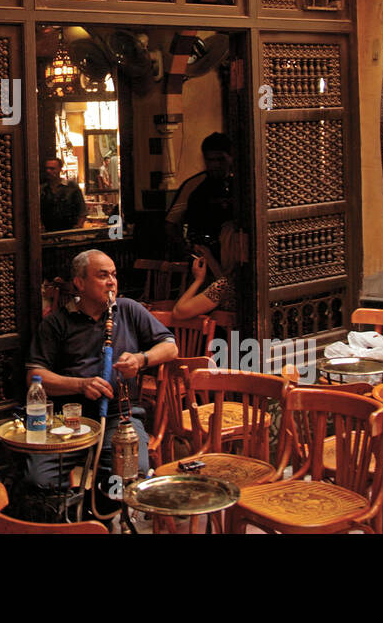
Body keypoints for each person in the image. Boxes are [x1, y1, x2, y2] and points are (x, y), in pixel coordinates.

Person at [25, 250, 178, 499]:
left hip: (120, 416)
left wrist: (141, 359)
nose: (111, 282)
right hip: (69, 420)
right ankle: (72, 514)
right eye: (103, 275)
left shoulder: (128, 310)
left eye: (114, 275)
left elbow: (170, 347)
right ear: (80, 283)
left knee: (127, 476)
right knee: (39, 480)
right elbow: (35, 376)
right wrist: (80, 385)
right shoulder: (57, 322)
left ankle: (100, 512)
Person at [165, 132, 236, 263]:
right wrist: (184, 248)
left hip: (233, 253)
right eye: (210, 160)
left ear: (231, 158)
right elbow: (171, 223)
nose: (215, 165)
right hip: (202, 255)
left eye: (221, 159)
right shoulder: (193, 185)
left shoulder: (241, 185)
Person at [40, 156, 85, 230]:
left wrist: (78, 226)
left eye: (52, 169)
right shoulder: (42, 189)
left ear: (60, 169)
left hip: (68, 230)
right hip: (49, 231)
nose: (48, 171)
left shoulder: (71, 186)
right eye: (47, 168)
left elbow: (82, 210)